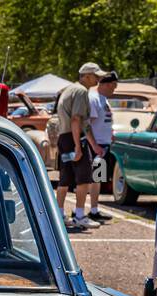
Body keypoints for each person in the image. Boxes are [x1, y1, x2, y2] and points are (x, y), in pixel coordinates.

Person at [53, 62, 107, 232]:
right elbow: (77, 119)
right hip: (74, 138)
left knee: (64, 178)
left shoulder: (69, 89)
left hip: (64, 137)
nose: (98, 78)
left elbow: (82, 123)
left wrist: (94, 146)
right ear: (86, 76)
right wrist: (78, 146)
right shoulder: (82, 91)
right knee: (84, 179)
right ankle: (79, 216)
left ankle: (59, 215)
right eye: (95, 75)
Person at [86, 70, 118, 221]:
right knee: (93, 179)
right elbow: (88, 125)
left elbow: (104, 121)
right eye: (113, 85)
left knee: (97, 178)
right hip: (96, 145)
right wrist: (94, 146)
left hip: (103, 144)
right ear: (105, 84)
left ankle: (94, 209)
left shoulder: (104, 100)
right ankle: (90, 210)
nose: (114, 88)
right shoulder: (94, 99)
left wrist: (110, 133)